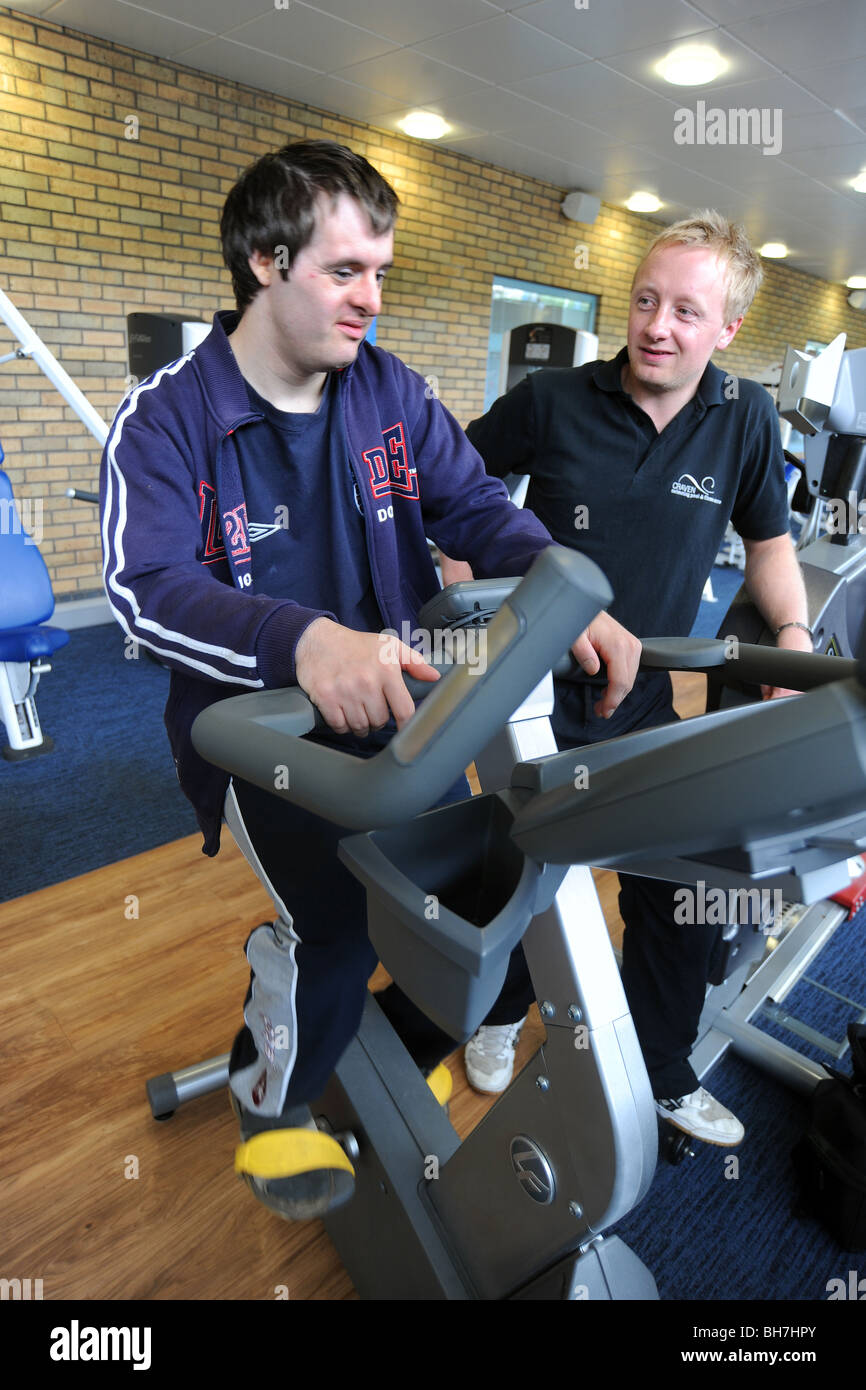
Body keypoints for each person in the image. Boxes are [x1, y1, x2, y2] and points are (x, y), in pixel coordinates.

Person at [100, 140, 640, 1221]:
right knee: (340, 928)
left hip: (407, 718)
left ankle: (359, 1027)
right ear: (265, 259)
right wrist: (301, 640)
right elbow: (143, 588)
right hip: (264, 741)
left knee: (483, 893)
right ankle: (276, 1092)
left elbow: (476, 508)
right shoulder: (167, 418)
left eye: (380, 272)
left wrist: (572, 593)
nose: (370, 300)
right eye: (347, 271)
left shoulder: (385, 389)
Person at [451, 211, 812, 1146]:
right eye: (646, 301)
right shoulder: (556, 401)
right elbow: (446, 486)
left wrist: (796, 631)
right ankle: (497, 1014)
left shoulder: (745, 418)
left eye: (686, 311)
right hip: (531, 693)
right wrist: (453, 573)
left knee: (686, 874)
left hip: (644, 692)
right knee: (536, 869)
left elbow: (768, 542)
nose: (657, 325)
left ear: (727, 330)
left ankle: (661, 1067)